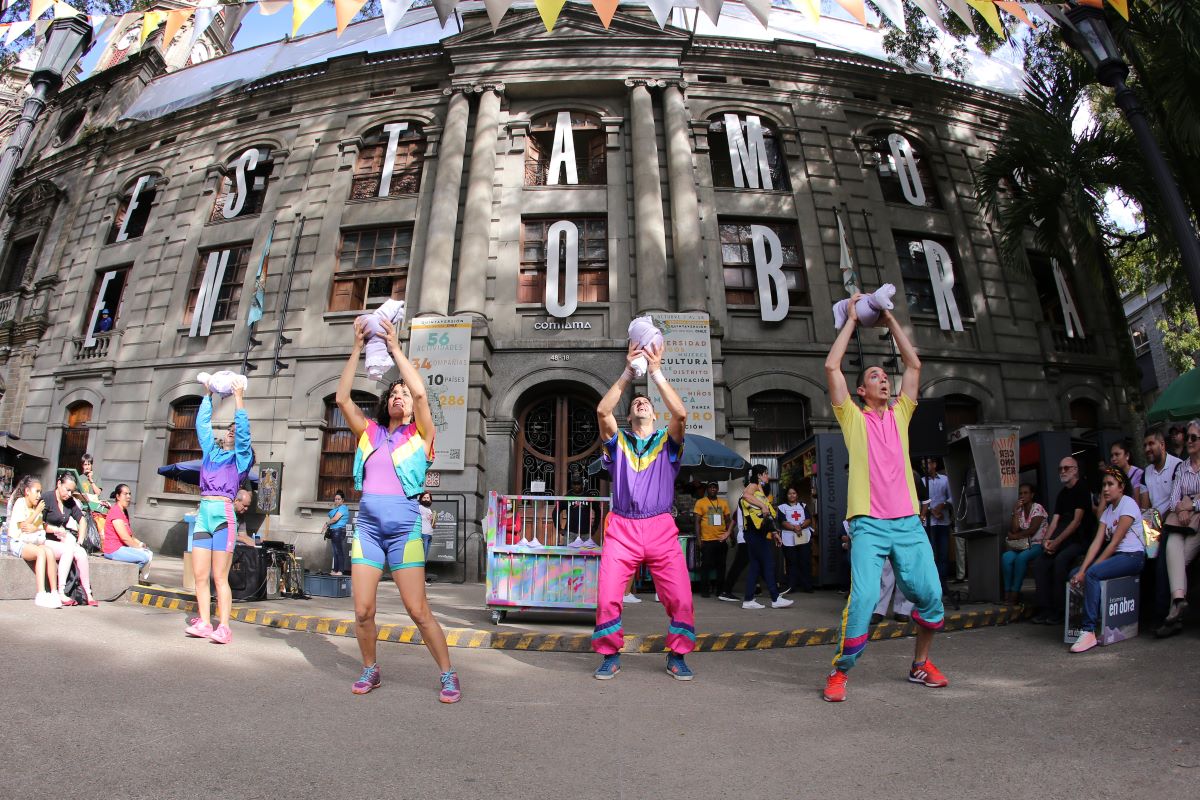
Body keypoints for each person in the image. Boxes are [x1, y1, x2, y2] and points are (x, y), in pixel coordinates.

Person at [822, 292, 946, 703]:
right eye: (875, 376)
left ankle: (919, 664)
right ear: (861, 391)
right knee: (862, 600)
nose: (883, 379)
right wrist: (854, 319)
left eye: (884, 376)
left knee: (929, 595)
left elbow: (913, 363)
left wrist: (888, 315)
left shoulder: (902, 413)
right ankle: (840, 672)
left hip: (909, 523)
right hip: (868, 525)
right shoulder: (852, 418)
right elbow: (831, 366)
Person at [336, 316, 460, 703]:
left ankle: (447, 674)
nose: (399, 396)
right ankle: (371, 668)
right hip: (368, 529)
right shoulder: (369, 432)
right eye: (394, 392)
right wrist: (358, 347)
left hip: (404, 529)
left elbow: (423, 397)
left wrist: (394, 348)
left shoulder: (421, 434)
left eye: (403, 393)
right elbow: (342, 399)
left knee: (417, 610)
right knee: (362, 611)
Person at [591, 340, 696, 681]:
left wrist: (655, 372)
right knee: (607, 597)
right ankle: (609, 654)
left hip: (661, 527)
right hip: (622, 526)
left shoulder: (668, 441)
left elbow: (680, 413)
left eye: (646, 402)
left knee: (680, 597)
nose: (641, 402)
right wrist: (627, 372)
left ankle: (678, 654)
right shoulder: (617, 440)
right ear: (631, 414)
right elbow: (602, 412)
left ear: (653, 413)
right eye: (636, 401)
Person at [183, 383, 253, 646]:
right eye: (230, 430)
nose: (232, 433)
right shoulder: (211, 453)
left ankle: (224, 626)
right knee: (200, 576)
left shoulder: (240, 460)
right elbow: (202, 427)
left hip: (223, 515)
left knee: (218, 576)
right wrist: (208, 394)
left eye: (235, 431)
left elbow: (245, 435)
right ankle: (204, 621)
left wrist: (238, 398)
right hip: (204, 513)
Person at [1068, 468, 1146, 653]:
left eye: (1110, 484)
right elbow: (1096, 544)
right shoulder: (1108, 512)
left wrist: (1087, 572)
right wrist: (1081, 570)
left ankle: (1088, 631)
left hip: (1133, 557)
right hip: (1119, 557)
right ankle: (1085, 624)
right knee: (1074, 573)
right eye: (1104, 485)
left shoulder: (1128, 504)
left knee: (1092, 574)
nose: (1105, 489)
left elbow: (1113, 545)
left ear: (1121, 487)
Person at [1030, 457, 1096, 625]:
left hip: (1079, 539)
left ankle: (1059, 610)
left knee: (1060, 562)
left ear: (1075, 470)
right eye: (1060, 468)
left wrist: (1056, 542)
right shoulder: (1062, 494)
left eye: (1066, 468)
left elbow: (1076, 522)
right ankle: (1045, 607)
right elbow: (1055, 520)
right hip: (1062, 538)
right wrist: (1047, 541)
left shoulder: (1082, 489)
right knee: (1040, 563)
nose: (1062, 471)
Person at [1155, 419, 1200, 638]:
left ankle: (1175, 612)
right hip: (1182, 522)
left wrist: (1192, 504)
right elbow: (1173, 500)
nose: (1189, 441)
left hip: (1198, 524)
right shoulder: (1182, 468)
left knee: (1178, 558)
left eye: (1193, 437)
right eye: (1188, 437)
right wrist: (1181, 508)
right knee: (1172, 542)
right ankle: (1180, 600)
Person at [739, 465, 793, 610]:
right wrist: (762, 506)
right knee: (768, 563)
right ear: (759, 475)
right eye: (766, 473)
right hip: (754, 533)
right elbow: (745, 495)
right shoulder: (752, 486)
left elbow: (767, 516)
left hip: (758, 532)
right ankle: (775, 598)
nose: (768, 476)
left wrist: (774, 533)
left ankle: (748, 600)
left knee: (756, 566)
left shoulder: (759, 488)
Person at [6, 475, 61, 608]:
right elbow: (23, 527)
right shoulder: (21, 503)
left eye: (40, 492)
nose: (39, 495)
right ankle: (41, 594)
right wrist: (36, 512)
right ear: (27, 491)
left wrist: (35, 528)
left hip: (33, 542)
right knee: (40, 553)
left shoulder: (37, 508)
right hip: (18, 542)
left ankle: (54, 592)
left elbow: (39, 531)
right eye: (37, 491)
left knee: (49, 551)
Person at [42, 472, 96, 606]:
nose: (70, 494)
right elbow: (39, 523)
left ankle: (87, 593)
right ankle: (61, 591)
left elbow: (82, 520)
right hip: (46, 539)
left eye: (72, 491)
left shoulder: (70, 501)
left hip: (63, 539)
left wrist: (80, 540)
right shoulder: (47, 498)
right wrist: (55, 529)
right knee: (68, 550)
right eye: (67, 490)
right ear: (59, 484)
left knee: (81, 553)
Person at [1001, 483, 1048, 607]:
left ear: (1032, 495)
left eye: (1026, 493)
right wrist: (1015, 512)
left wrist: (1014, 537)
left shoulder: (1037, 508)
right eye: (1020, 493)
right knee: (1006, 557)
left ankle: (1015, 594)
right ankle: (1007, 592)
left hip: (1037, 545)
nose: (1022, 495)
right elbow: (1015, 529)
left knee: (1021, 558)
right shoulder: (1020, 510)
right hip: (1022, 546)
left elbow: (1032, 530)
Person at [101, 484, 153, 576]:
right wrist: (138, 548)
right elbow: (125, 538)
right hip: (113, 550)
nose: (128, 497)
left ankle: (133, 576)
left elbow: (130, 535)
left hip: (122, 548)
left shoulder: (124, 512)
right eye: (125, 494)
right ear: (118, 496)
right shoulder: (115, 512)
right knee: (144, 557)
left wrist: (140, 543)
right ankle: (129, 577)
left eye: (129, 494)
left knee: (148, 552)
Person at [693, 482, 732, 597]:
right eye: (710, 487)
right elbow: (697, 522)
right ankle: (704, 591)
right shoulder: (701, 502)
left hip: (721, 540)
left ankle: (720, 590)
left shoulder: (723, 503)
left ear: (718, 489)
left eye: (715, 487)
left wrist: (731, 536)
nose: (713, 489)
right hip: (707, 540)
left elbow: (728, 520)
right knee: (706, 566)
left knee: (721, 566)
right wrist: (699, 540)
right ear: (707, 489)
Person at [777, 486, 814, 594]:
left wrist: (800, 527)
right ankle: (791, 586)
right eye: (789, 493)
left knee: (804, 561)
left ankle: (807, 586)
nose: (792, 495)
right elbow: (782, 521)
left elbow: (808, 519)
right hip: (788, 536)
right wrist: (794, 528)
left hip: (803, 535)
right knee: (791, 562)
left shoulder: (803, 505)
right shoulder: (782, 507)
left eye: (794, 493)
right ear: (786, 495)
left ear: (797, 495)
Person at [922, 458, 952, 584]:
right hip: (929, 524)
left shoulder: (945, 479)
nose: (925, 466)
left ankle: (943, 583)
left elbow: (952, 497)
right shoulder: (921, 482)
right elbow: (919, 501)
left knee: (944, 555)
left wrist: (943, 505)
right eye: (923, 464)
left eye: (927, 463)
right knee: (931, 555)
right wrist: (932, 510)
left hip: (943, 522)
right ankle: (933, 584)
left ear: (934, 464)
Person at [1110, 438, 1146, 508]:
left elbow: (1137, 504)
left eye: (1117, 454)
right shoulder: (1112, 476)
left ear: (1127, 456)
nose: (1113, 459)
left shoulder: (1138, 474)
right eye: (1112, 456)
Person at [323, 490, 350, 576]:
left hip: (339, 530)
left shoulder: (343, 508)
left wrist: (326, 523)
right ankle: (335, 570)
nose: (337, 500)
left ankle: (341, 570)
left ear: (343, 500)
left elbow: (335, 519)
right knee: (335, 552)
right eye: (335, 499)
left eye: (339, 499)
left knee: (339, 551)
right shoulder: (336, 509)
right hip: (334, 531)